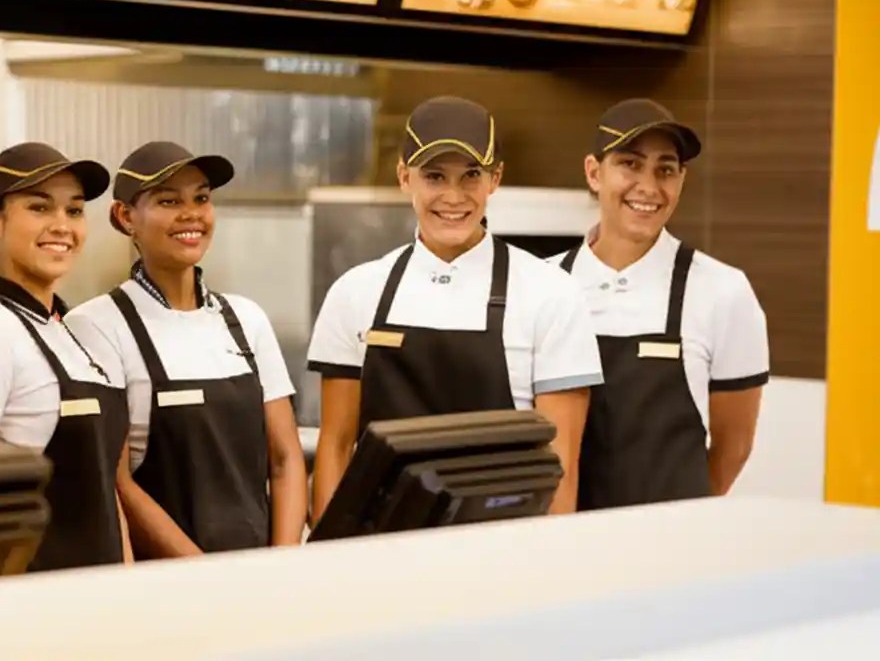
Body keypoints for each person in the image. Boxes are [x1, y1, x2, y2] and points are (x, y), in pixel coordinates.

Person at [307, 96, 603, 521]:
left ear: (495, 179)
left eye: (470, 176)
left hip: (504, 550)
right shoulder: (355, 293)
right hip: (382, 554)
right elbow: (336, 447)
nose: (453, 196)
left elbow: (560, 466)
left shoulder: (551, 293)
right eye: (434, 176)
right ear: (404, 177)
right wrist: (329, 556)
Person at [66, 141, 307, 558]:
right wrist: (202, 573)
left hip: (259, 577)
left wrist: (281, 564)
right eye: (168, 200)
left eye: (201, 198)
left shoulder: (246, 320)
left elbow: (285, 459)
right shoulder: (97, 326)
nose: (191, 213)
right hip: (165, 581)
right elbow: (117, 482)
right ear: (126, 217)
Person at [551, 99, 768, 509]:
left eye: (665, 169)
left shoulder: (723, 291)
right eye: (630, 165)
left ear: (681, 179)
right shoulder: (543, 285)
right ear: (594, 173)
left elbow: (733, 446)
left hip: (672, 546)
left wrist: (678, 518)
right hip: (564, 543)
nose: (649, 187)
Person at [0, 143, 133, 571]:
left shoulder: (70, 331)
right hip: (35, 598)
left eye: (75, 211)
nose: (62, 226)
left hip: (100, 599)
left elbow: (106, 494)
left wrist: (128, 583)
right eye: (40, 208)